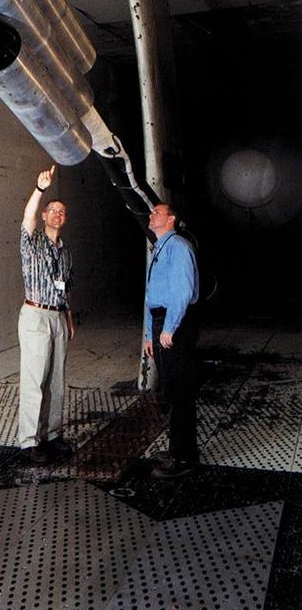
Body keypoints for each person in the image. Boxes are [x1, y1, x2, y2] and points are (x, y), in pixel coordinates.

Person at [18, 165, 75, 464]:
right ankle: (29, 440)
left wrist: (68, 318)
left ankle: (53, 435)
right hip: (36, 316)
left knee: (56, 379)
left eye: (61, 211)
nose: (56, 214)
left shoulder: (64, 250)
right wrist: (40, 190)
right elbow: (27, 216)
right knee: (34, 379)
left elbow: (65, 287)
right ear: (44, 216)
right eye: (52, 210)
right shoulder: (32, 241)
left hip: (57, 317)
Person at [145, 202, 200, 479]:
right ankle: (177, 448)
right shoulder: (160, 248)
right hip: (161, 323)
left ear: (172, 219)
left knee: (180, 392)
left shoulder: (178, 246)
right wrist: (148, 333)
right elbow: (150, 295)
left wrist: (168, 329)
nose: (152, 214)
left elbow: (182, 291)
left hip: (174, 324)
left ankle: (185, 458)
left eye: (157, 212)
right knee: (171, 390)